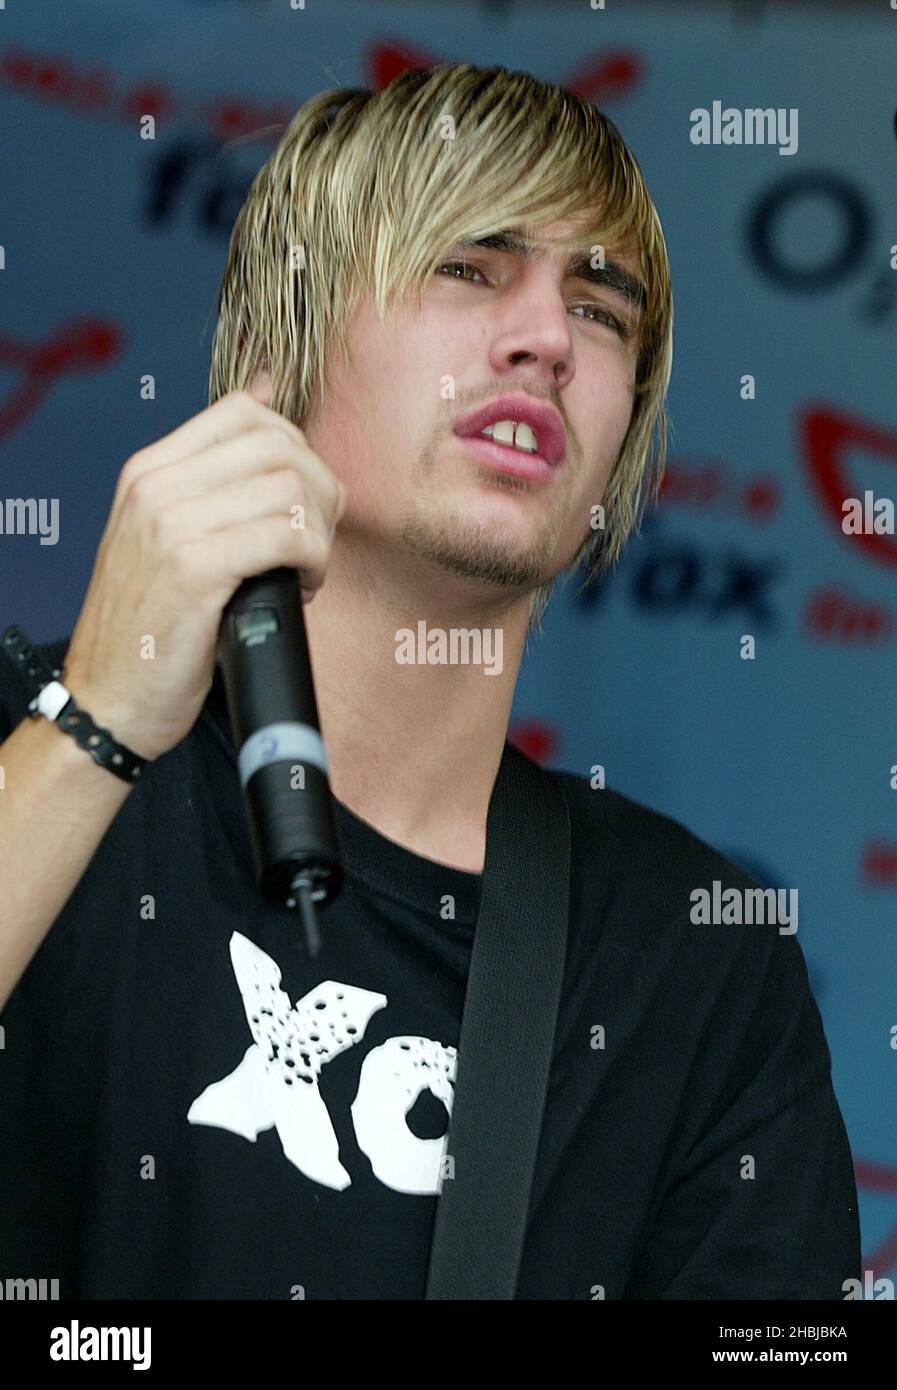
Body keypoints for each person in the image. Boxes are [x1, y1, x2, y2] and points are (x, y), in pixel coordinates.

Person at [0, 64, 859, 1300]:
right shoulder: (34, 745)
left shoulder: (697, 966)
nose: (549, 338)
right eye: (469, 265)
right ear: (280, 357)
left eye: (603, 309)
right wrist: (99, 722)